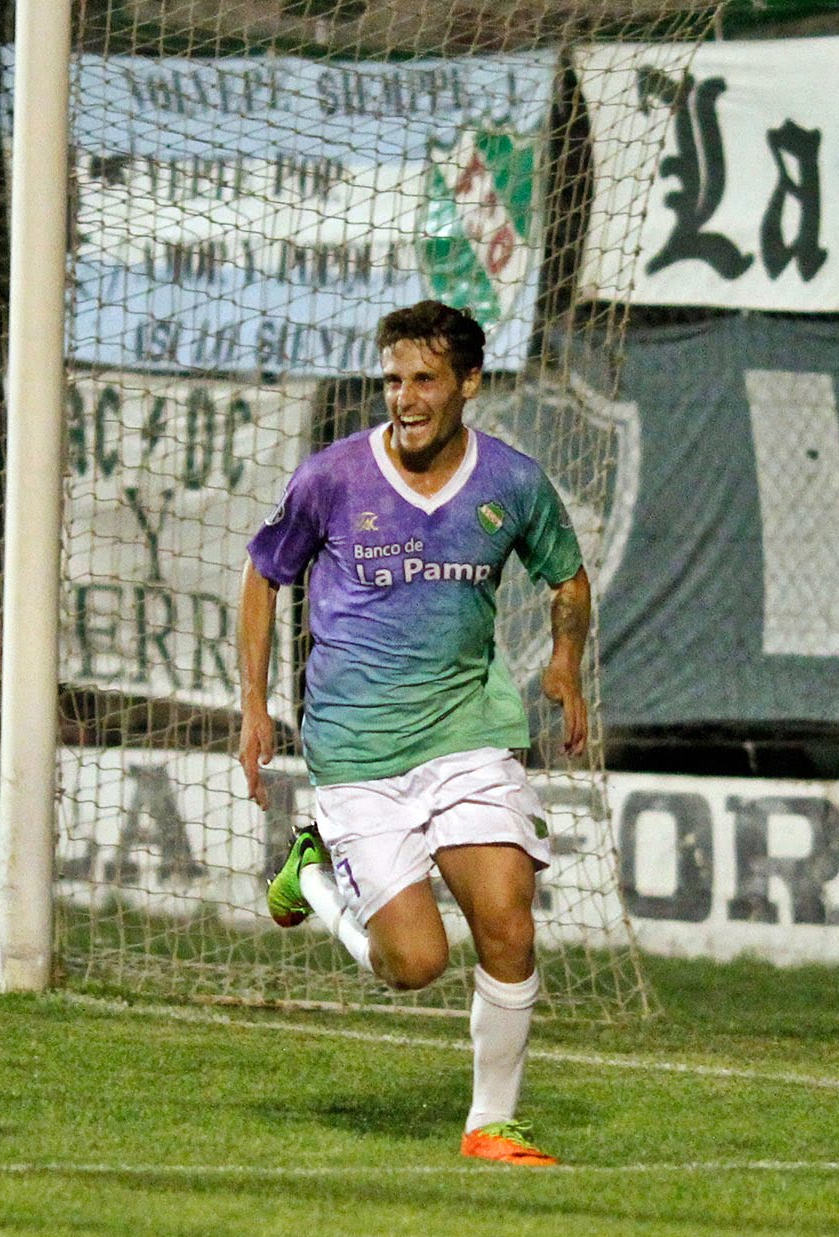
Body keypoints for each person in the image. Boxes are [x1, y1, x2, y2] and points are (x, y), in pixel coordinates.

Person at [236, 300, 590, 1166]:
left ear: (469, 383)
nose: (405, 397)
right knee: (415, 964)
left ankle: (491, 1123)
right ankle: (312, 874)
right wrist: (252, 703)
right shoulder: (332, 477)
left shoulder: (511, 483)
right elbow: (263, 573)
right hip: (357, 755)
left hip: (467, 737)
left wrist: (565, 664)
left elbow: (569, 580)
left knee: (507, 922)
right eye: (394, 379)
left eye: (425, 379)